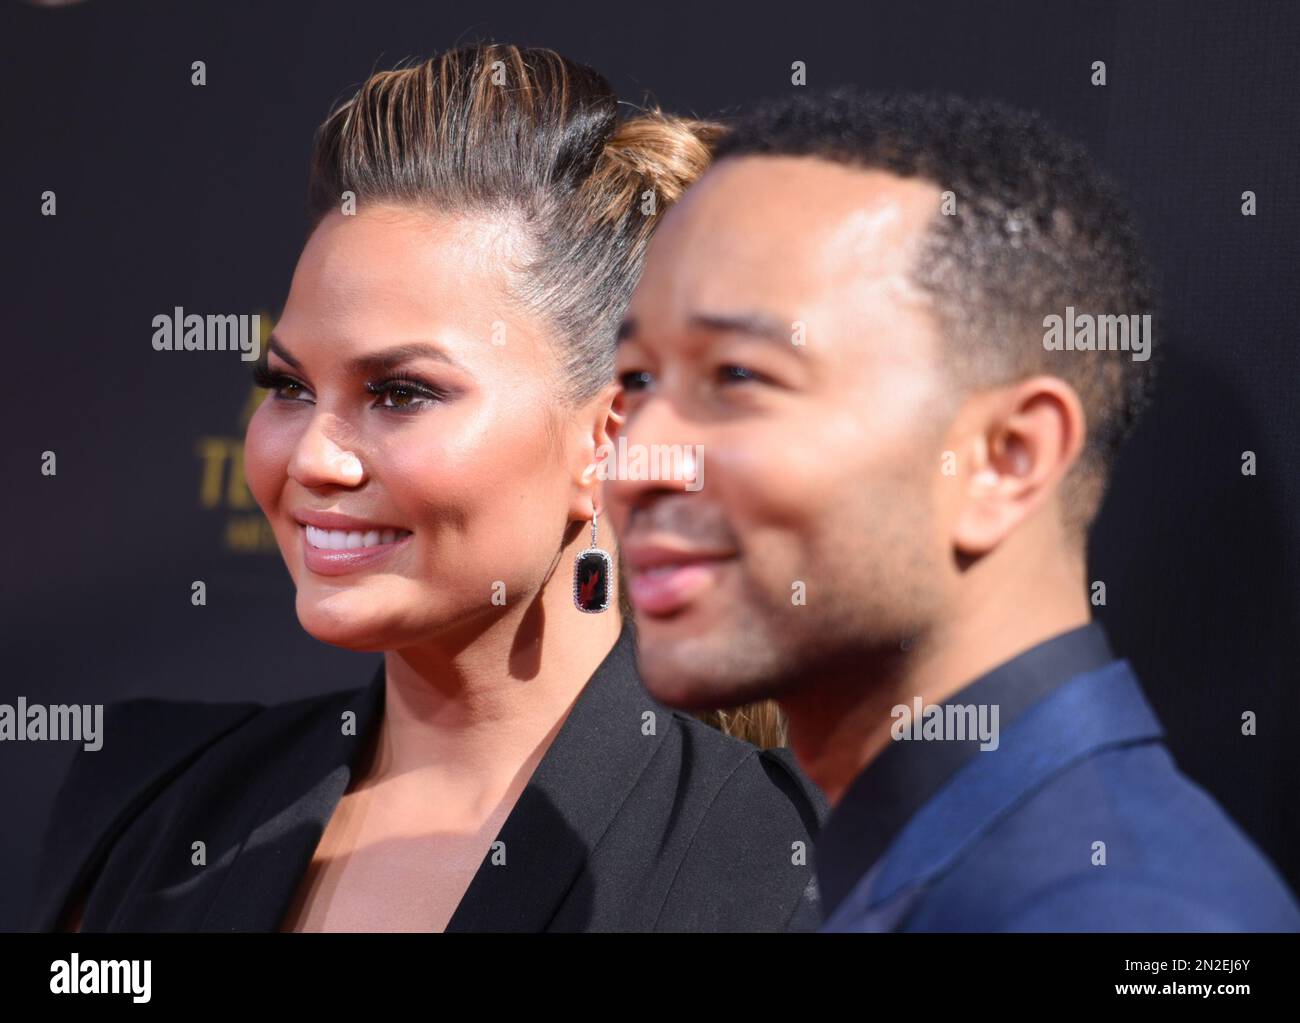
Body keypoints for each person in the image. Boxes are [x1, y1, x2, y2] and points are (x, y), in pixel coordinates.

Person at [25, 45, 824, 933]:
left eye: (400, 392)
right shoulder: (151, 801)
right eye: (288, 386)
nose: (314, 459)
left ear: (610, 439)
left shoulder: (785, 866)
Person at [605, 88, 1300, 931]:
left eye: (740, 377)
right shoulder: (925, 868)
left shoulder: (1119, 912)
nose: (637, 456)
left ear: (1005, 459)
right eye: (638, 380)